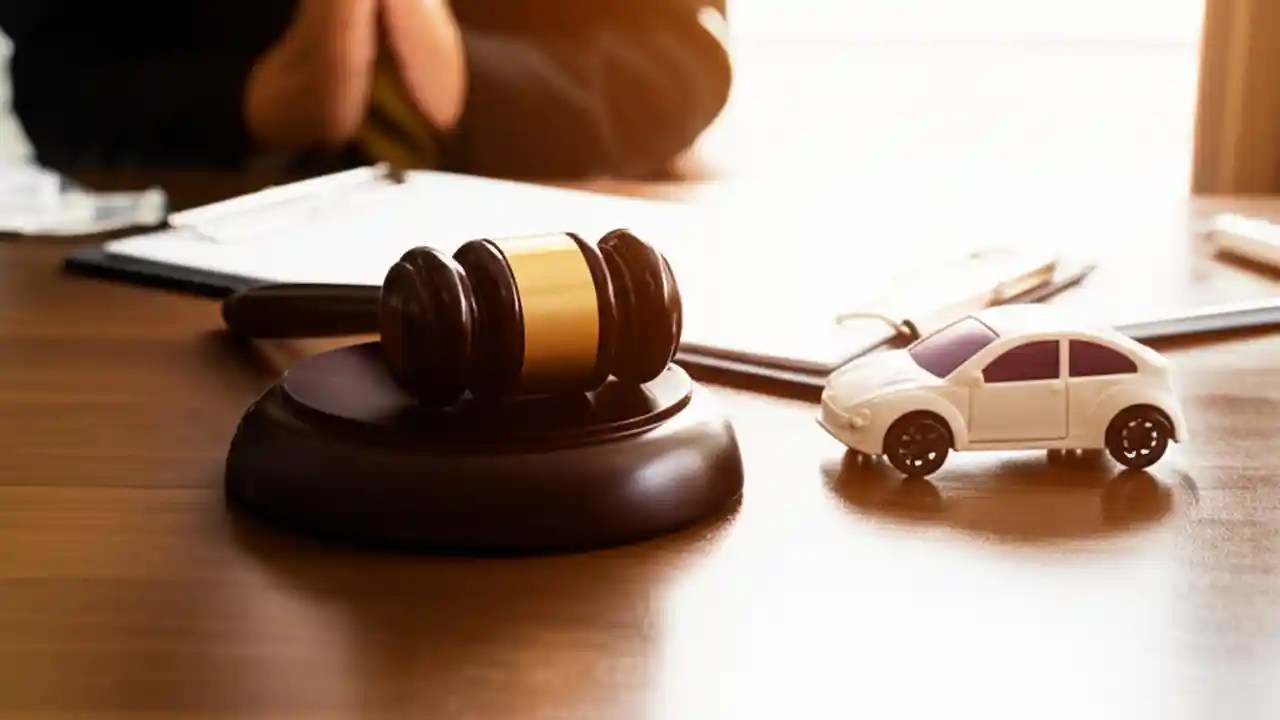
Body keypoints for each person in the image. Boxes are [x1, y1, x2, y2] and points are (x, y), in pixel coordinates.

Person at [0, 1, 731, 178]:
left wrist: (464, 78)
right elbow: (57, 74)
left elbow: (686, 51)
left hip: (541, 241)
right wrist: (247, 101)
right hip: (194, 257)